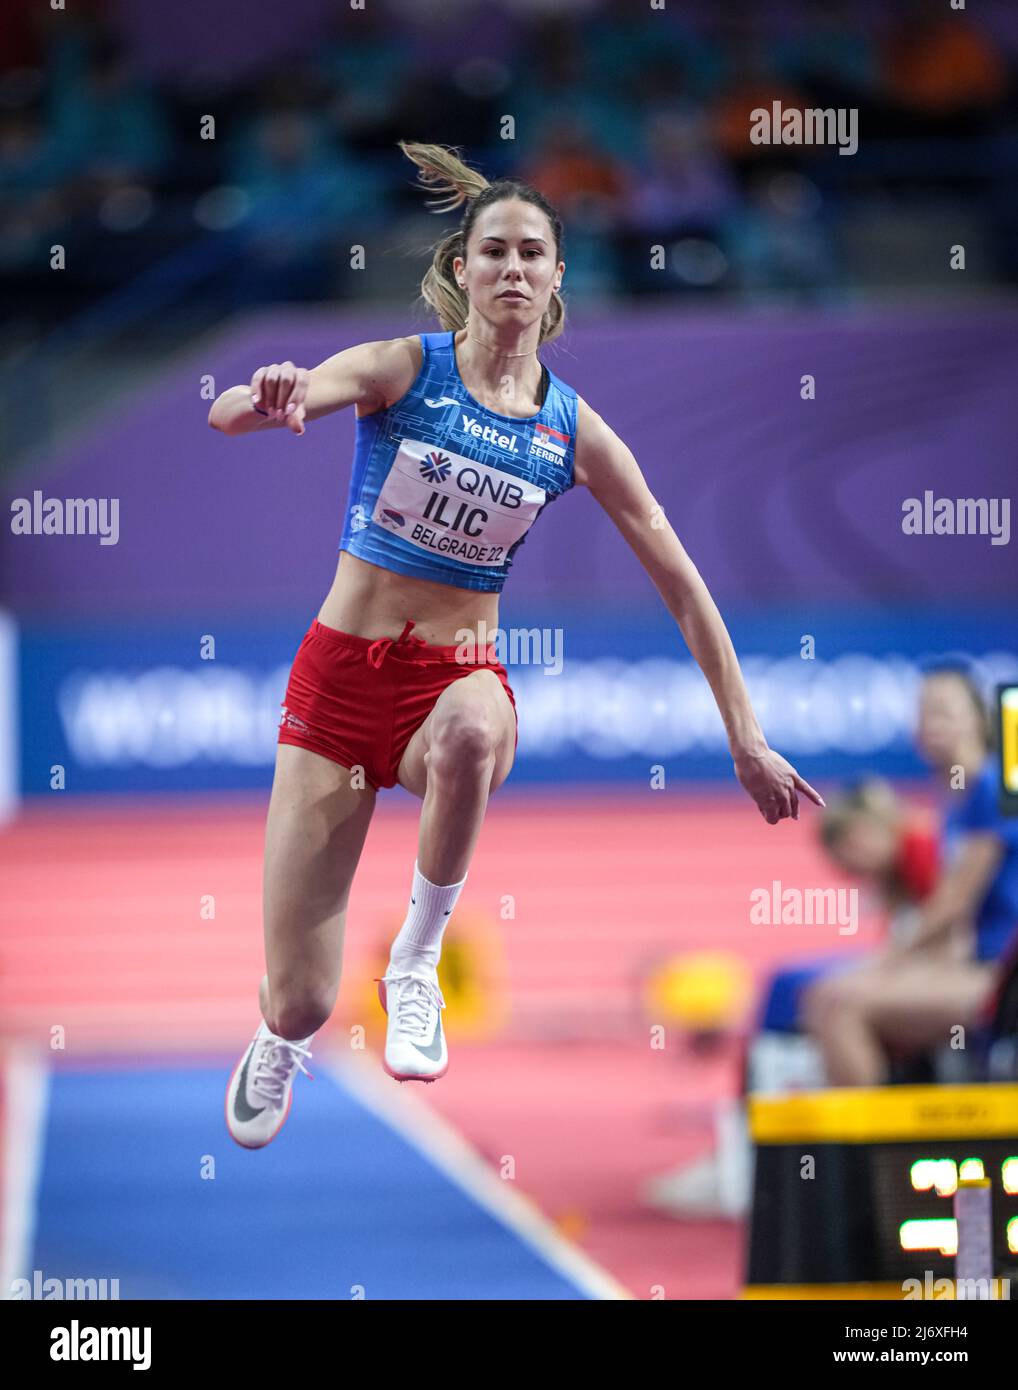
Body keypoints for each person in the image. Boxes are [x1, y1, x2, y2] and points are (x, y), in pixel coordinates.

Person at [208, 140, 823, 1149]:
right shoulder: (405, 369)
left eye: (531, 252)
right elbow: (240, 412)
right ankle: (280, 1035)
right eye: (492, 250)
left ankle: (415, 960)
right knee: (302, 997)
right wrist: (264, 394)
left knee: (471, 734)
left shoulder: (572, 432)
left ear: (555, 276)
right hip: (335, 689)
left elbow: (683, 583)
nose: (511, 268)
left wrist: (744, 736)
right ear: (463, 269)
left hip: (455, 679)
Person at [801, 665, 1018, 1086]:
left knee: (843, 1006)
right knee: (824, 996)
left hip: (1001, 983)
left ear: (977, 718)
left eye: (942, 711)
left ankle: (867, 1148)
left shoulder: (992, 787)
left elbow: (954, 902)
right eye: (922, 713)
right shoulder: (956, 799)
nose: (929, 724)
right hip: (975, 966)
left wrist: (885, 964)